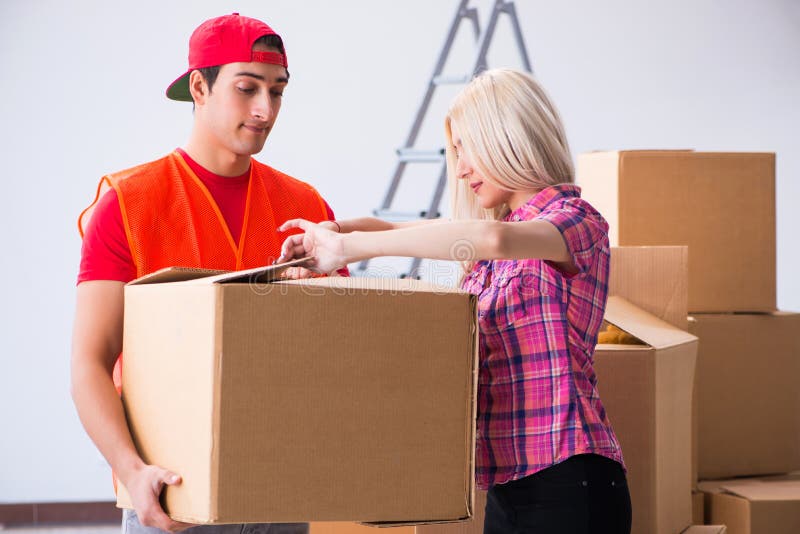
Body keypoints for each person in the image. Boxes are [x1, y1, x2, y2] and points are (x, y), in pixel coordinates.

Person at [278, 68, 632, 534]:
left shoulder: (573, 222)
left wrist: (349, 250)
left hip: (569, 480)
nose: (461, 169)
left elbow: (492, 237)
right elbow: (407, 231)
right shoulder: (493, 255)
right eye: (457, 152)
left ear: (509, 138)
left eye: (468, 147)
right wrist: (334, 232)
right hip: (511, 485)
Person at [72, 13, 342, 534]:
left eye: (278, 92)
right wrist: (133, 472)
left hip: (279, 493)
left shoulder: (304, 205)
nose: (265, 110)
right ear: (200, 86)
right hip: (173, 497)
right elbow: (89, 362)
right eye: (247, 89)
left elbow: (336, 351)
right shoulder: (128, 204)